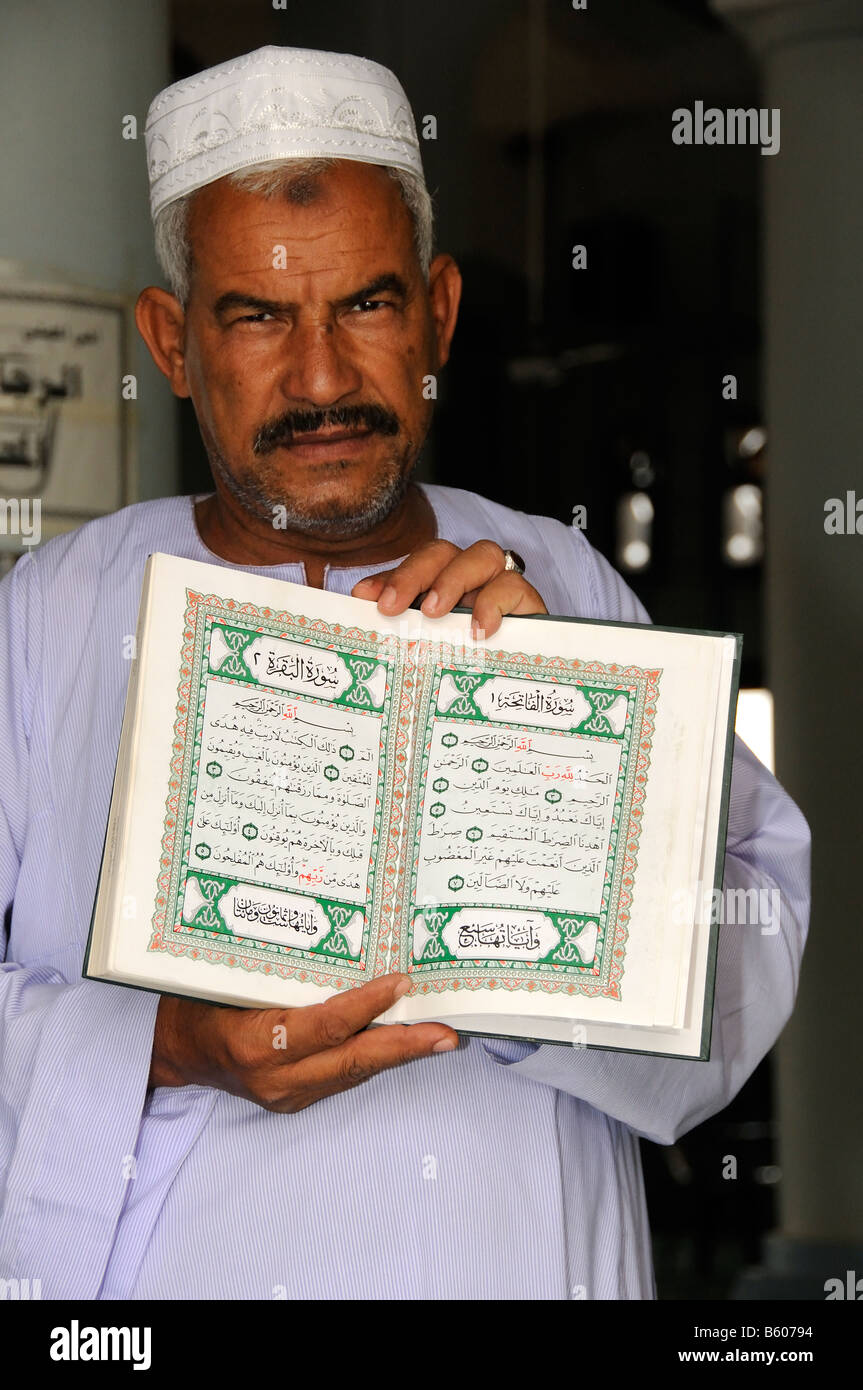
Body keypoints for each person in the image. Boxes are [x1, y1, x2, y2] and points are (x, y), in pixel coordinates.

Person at [0, 46, 809, 1300]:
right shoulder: (48, 618)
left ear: (436, 310)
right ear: (170, 340)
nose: (320, 378)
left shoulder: (569, 588)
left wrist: (555, 743)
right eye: (259, 316)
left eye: (365, 306)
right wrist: (166, 1045)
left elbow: (743, 960)